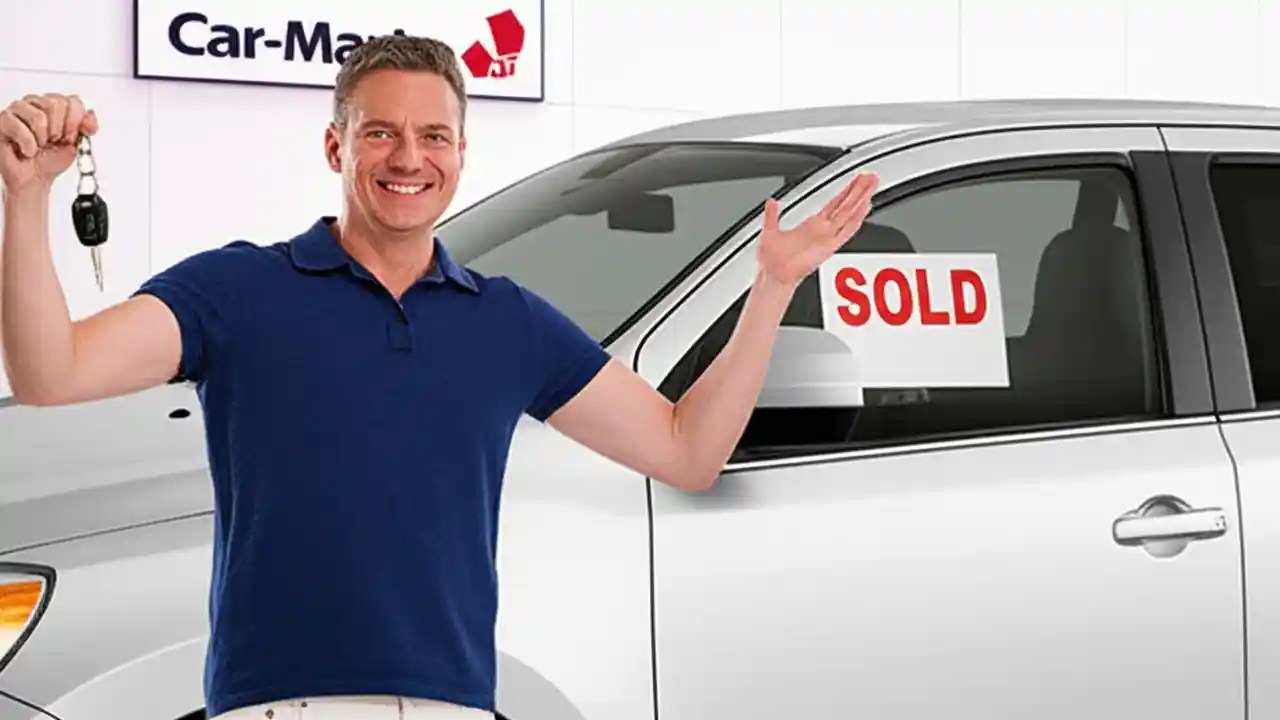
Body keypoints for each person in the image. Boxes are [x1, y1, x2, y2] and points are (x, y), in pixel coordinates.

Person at [0, 34, 877, 720]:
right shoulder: (238, 292)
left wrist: (772, 287)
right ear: (335, 145)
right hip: (278, 703)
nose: (406, 157)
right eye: (379, 131)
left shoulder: (507, 322)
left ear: (461, 154)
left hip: (454, 703)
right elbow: (51, 371)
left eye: (433, 136)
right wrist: (28, 199)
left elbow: (688, 451)